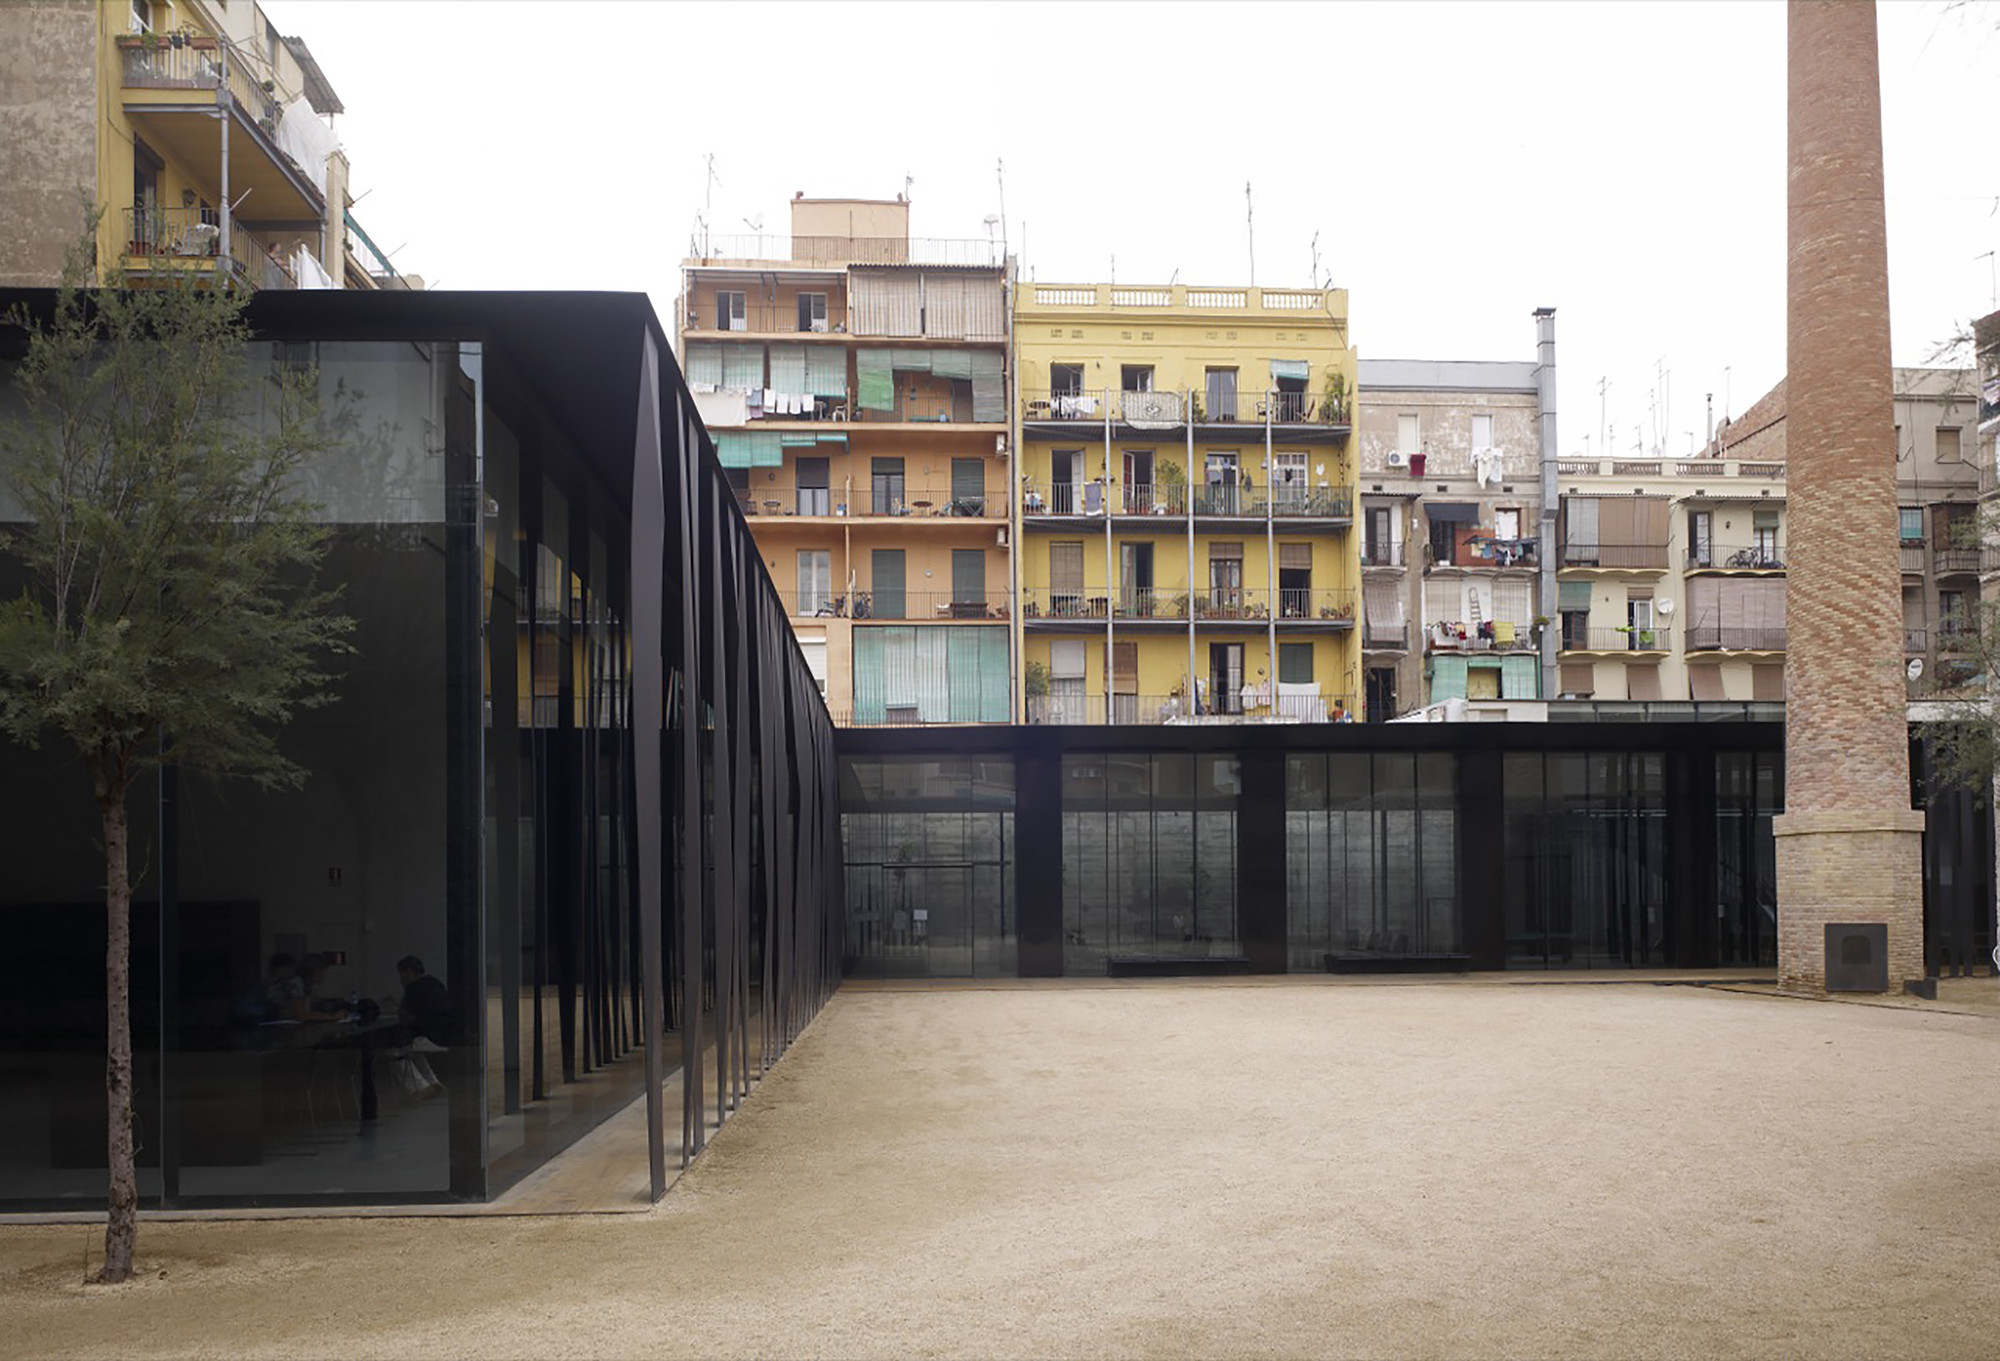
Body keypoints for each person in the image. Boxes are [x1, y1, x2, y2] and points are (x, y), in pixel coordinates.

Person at [394, 956, 453, 1096]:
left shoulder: (414, 989)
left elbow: (404, 1016)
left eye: (401, 974)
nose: (400, 978)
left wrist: (404, 993)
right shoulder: (434, 983)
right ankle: (433, 1083)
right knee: (414, 1052)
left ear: (409, 971)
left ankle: (419, 1088)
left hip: (430, 1036)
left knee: (395, 1051)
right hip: (445, 1033)